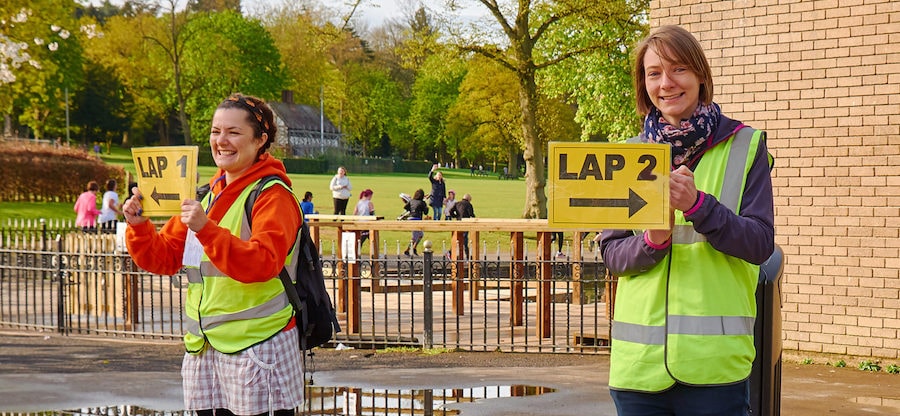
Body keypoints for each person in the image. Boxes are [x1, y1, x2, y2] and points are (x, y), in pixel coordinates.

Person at [600, 25, 774, 416]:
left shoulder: (746, 146)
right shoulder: (627, 154)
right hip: (638, 373)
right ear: (643, 84)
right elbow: (611, 254)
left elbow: (761, 244)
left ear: (700, 76)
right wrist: (653, 242)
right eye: (654, 73)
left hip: (713, 371)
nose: (666, 83)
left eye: (678, 69)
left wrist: (699, 207)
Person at [121, 93, 305, 415]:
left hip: (259, 348)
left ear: (261, 140)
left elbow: (262, 263)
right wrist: (138, 226)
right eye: (215, 131)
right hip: (205, 349)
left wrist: (207, 229)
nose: (221, 141)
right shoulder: (207, 195)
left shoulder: (273, 196)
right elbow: (164, 259)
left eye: (233, 132)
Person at [402, 189, 429, 256]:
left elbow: (405, 207)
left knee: (420, 235)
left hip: (410, 218)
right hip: (417, 220)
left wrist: (412, 209)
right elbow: (426, 212)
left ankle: (414, 248)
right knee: (415, 236)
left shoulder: (411, 201)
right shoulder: (422, 203)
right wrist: (426, 207)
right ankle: (407, 250)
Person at [448, 193, 475, 258]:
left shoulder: (457, 203)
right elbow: (471, 214)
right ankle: (467, 256)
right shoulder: (469, 204)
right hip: (465, 224)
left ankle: (450, 252)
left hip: (458, 223)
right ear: (468, 199)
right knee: (465, 240)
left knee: (456, 238)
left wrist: (456, 216)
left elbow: (450, 211)